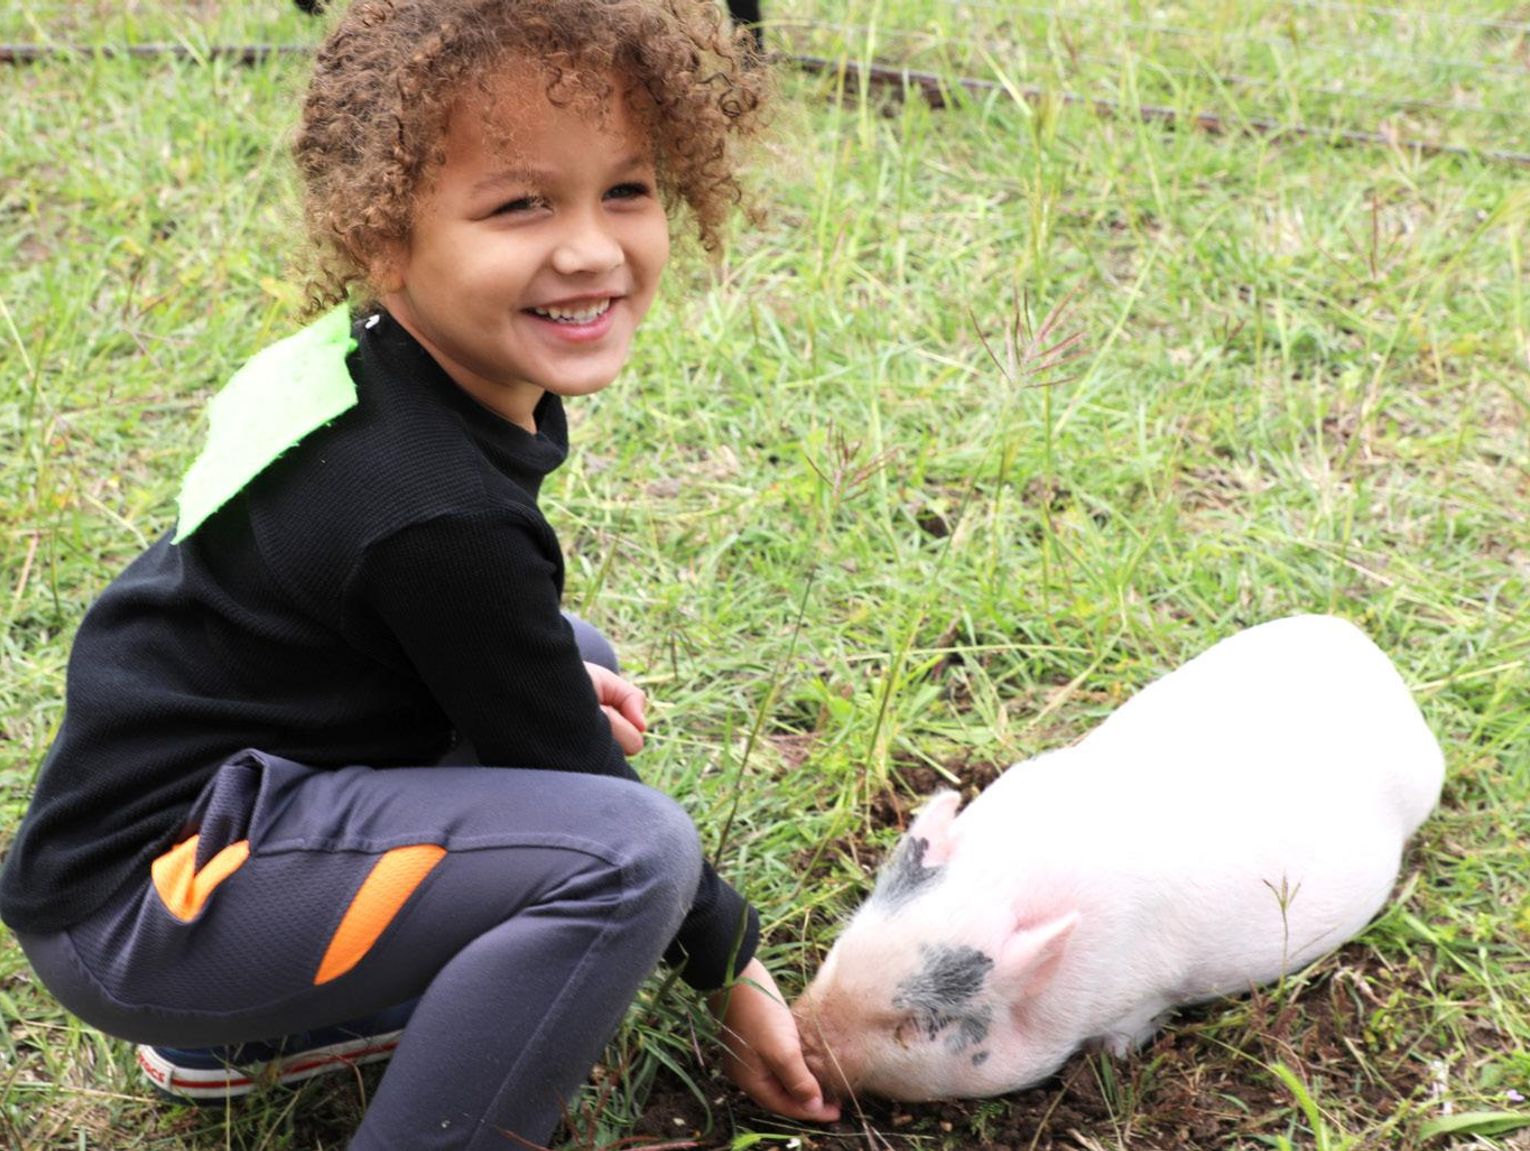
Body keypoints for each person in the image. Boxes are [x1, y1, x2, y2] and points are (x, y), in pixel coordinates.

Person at [0, 1, 841, 1147]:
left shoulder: (372, 362)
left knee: (564, 651)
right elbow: (568, 759)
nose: (592, 246)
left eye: (627, 190)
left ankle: (272, 1020)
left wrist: (531, 676)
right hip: (151, 912)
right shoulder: (427, 503)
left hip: (182, 824)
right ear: (384, 236)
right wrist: (730, 964)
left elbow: (389, 639)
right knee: (631, 854)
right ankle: (300, 1054)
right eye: (519, 203)